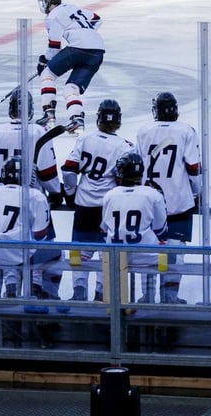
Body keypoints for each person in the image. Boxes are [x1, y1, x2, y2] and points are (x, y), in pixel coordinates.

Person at [61, 99, 134, 301]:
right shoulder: (124, 146)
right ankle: (101, 294)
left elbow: (68, 170)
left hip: (84, 205)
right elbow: (124, 181)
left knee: (79, 251)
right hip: (108, 208)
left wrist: (70, 195)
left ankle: (78, 292)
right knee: (106, 253)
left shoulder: (85, 139)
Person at [134, 91, 201, 304]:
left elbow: (137, 164)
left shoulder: (144, 130)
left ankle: (148, 295)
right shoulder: (186, 131)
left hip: (149, 199)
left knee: (150, 249)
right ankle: (170, 296)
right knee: (175, 250)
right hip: (179, 201)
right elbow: (193, 167)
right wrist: (195, 192)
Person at [0, 157, 60, 299]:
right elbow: (39, 234)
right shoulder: (36, 195)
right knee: (56, 254)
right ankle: (42, 292)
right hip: (18, 253)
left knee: (4, 245)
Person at [35, 0, 105, 134]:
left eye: (44, 0)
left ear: (50, 0)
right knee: (71, 88)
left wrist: (43, 61)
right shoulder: (73, 8)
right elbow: (97, 19)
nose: (43, 5)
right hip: (98, 50)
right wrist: (85, 33)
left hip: (78, 48)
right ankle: (77, 120)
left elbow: (54, 47)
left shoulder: (52, 16)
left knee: (47, 74)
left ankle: (48, 115)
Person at [101, 152, 168, 304]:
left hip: (116, 257)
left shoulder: (110, 195)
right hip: (146, 257)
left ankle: (116, 301)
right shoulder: (153, 194)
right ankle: (149, 296)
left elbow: (104, 228)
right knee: (161, 248)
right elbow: (160, 230)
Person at [0, 89, 61, 193]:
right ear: (30, 108)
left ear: (11, 108)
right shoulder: (38, 131)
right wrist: (56, 192)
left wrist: (2, 185)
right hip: (32, 196)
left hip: (2, 195)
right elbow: (47, 172)